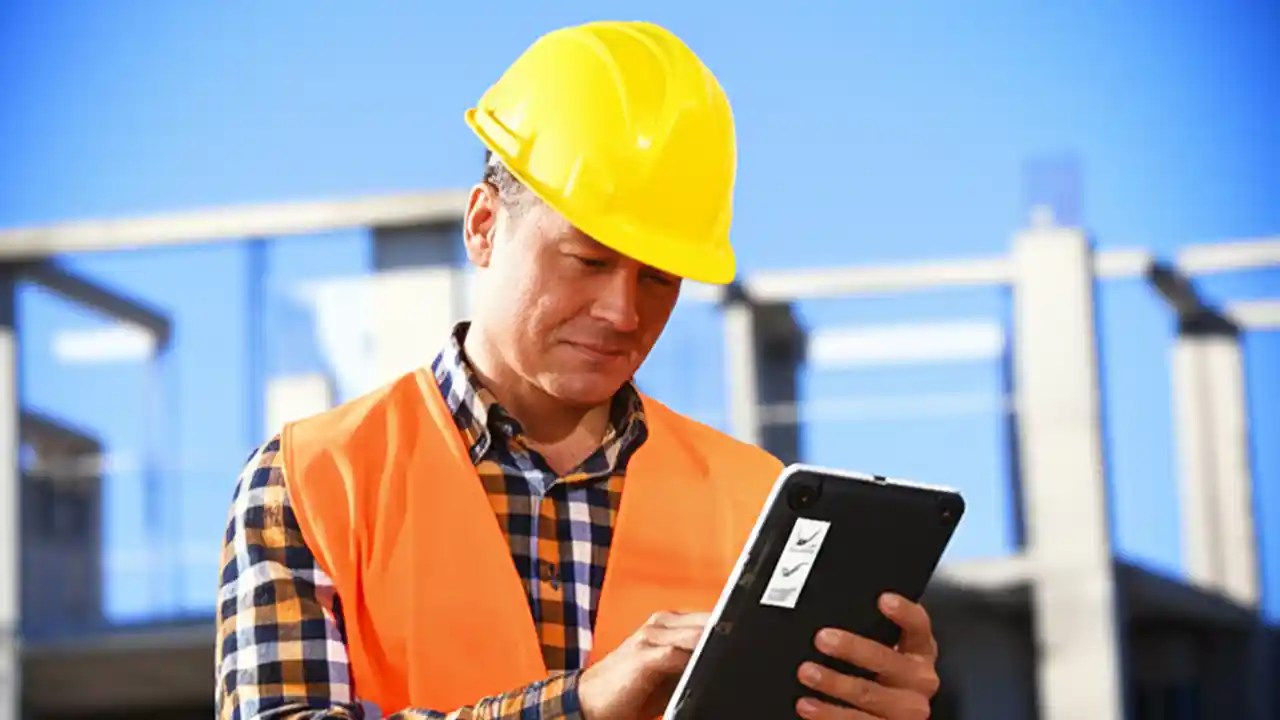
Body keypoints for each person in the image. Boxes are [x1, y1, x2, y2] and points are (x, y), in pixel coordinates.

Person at [215, 19, 942, 720]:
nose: (623, 312)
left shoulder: (760, 505)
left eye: (659, 278)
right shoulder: (310, 484)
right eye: (587, 261)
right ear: (483, 225)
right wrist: (581, 706)